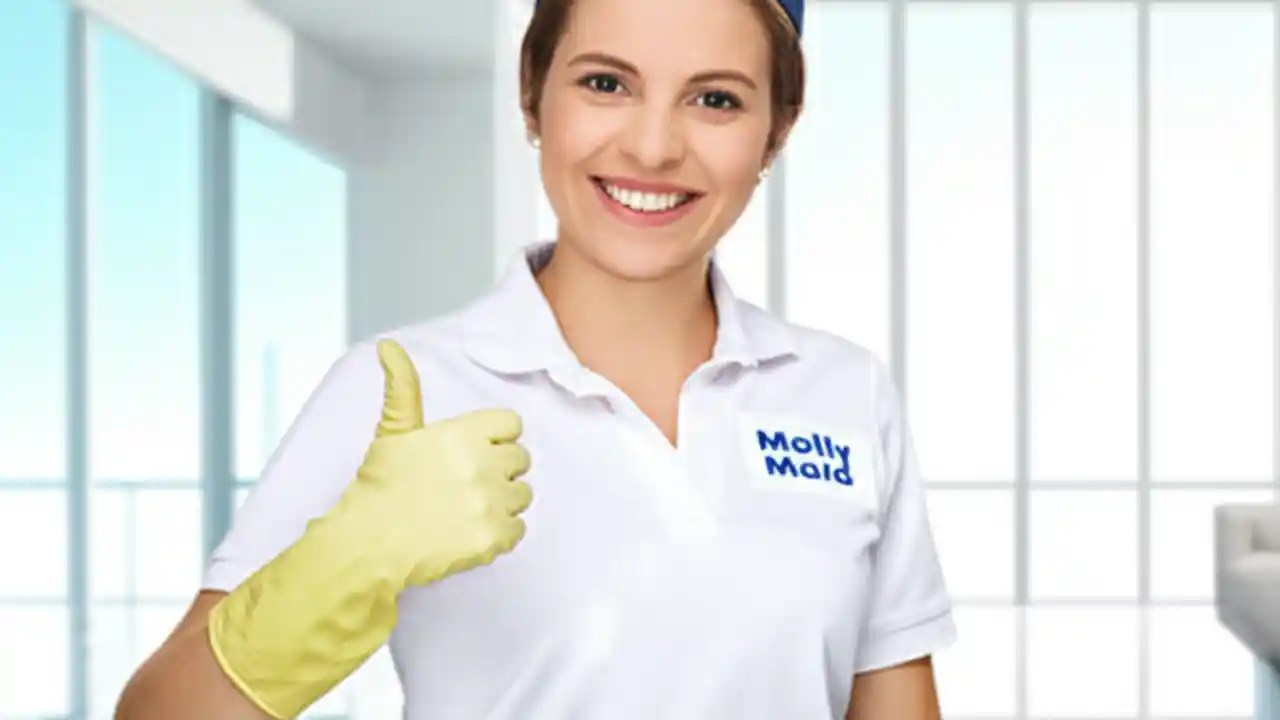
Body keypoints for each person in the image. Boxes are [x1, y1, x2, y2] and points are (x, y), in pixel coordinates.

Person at [115, 0, 956, 717]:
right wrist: (345, 564)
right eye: (605, 84)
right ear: (531, 96)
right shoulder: (404, 388)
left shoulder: (844, 395)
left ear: (776, 130)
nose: (654, 148)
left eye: (714, 99)